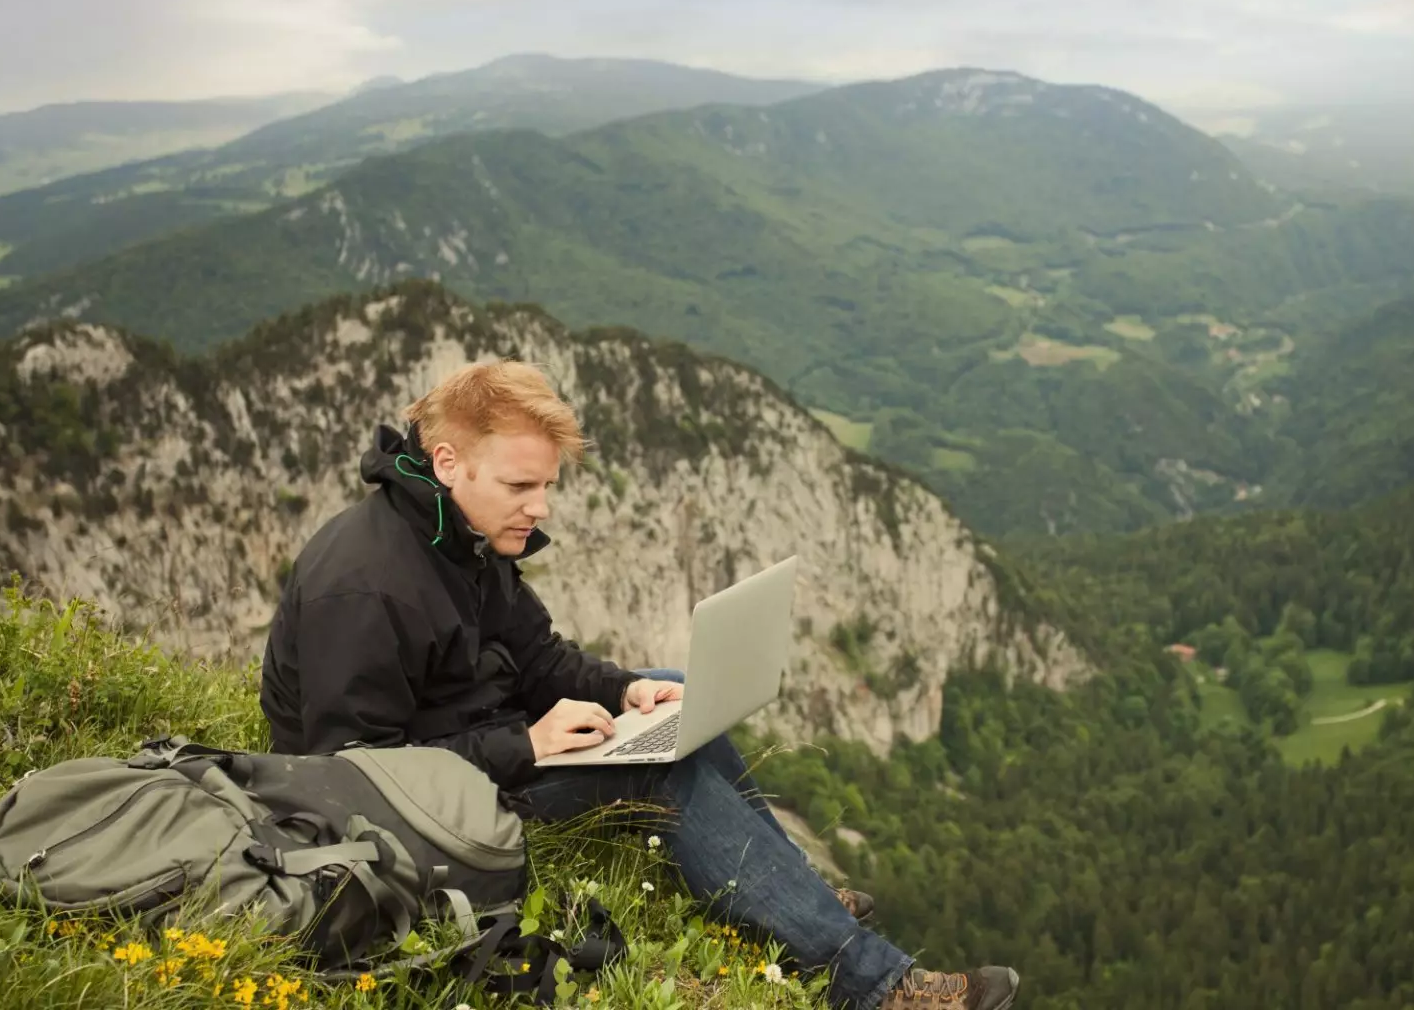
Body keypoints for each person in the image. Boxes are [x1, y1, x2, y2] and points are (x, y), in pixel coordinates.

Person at [258, 360, 1019, 1010]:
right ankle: (879, 988)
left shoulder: (463, 535)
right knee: (648, 769)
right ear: (449, 461)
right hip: (410, 820)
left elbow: (542, 658)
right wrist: (522, 746)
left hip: (479, 747)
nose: (541, 506)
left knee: (677, 691)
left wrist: (627, 693)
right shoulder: (362, 584)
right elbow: (351, 771)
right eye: (523, 484)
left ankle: (790, 894)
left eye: (547, 485)